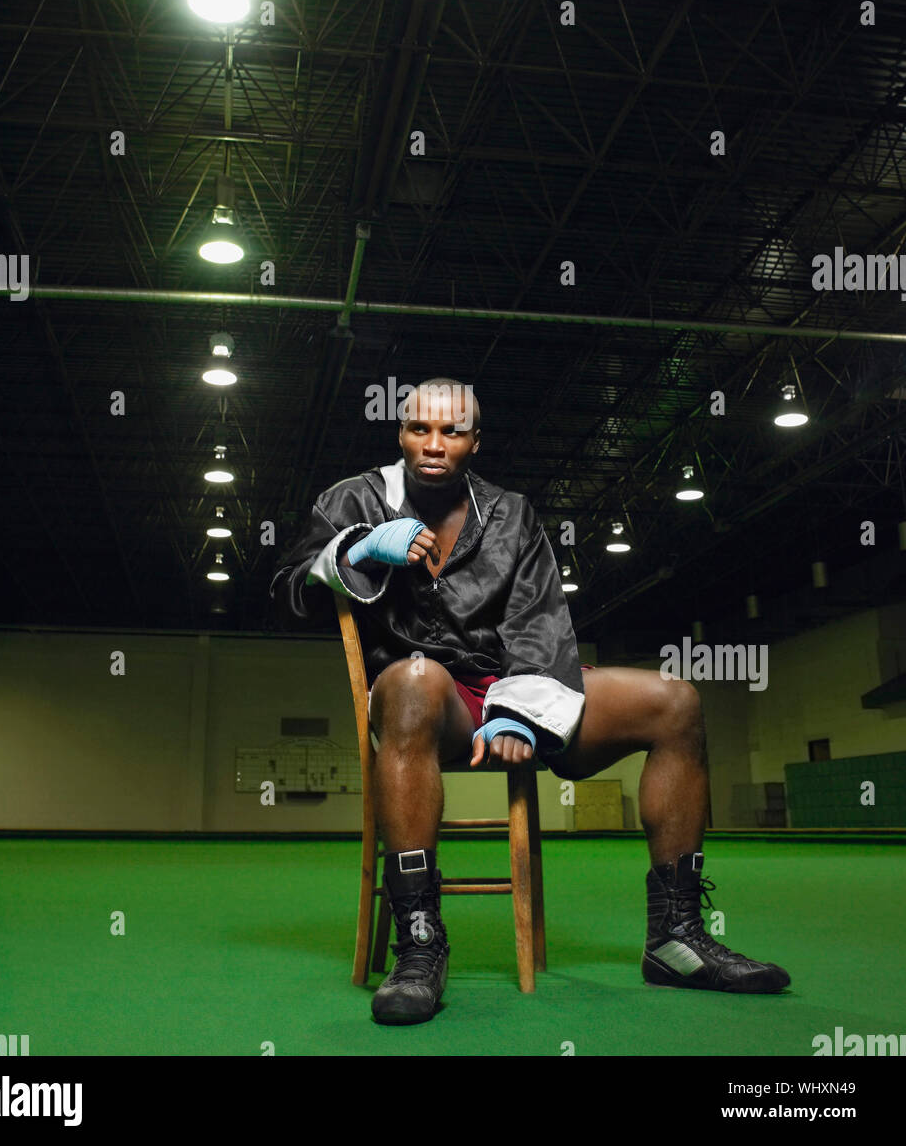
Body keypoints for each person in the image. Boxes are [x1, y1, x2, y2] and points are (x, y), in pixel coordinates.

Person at [270, 375, 790, 1024]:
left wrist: (519, 710)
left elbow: (541, 627)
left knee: (676, 701)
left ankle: (675, 937)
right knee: (409, 679)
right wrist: (358, 551)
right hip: (432, 702)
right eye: (417, 429)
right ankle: (420, 942)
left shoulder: (509, 513)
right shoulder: (353, 499)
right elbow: (289, 593)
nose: (432, 444)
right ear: (400, 432)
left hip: (519, 688)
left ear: (474, 441)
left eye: (450, 432)